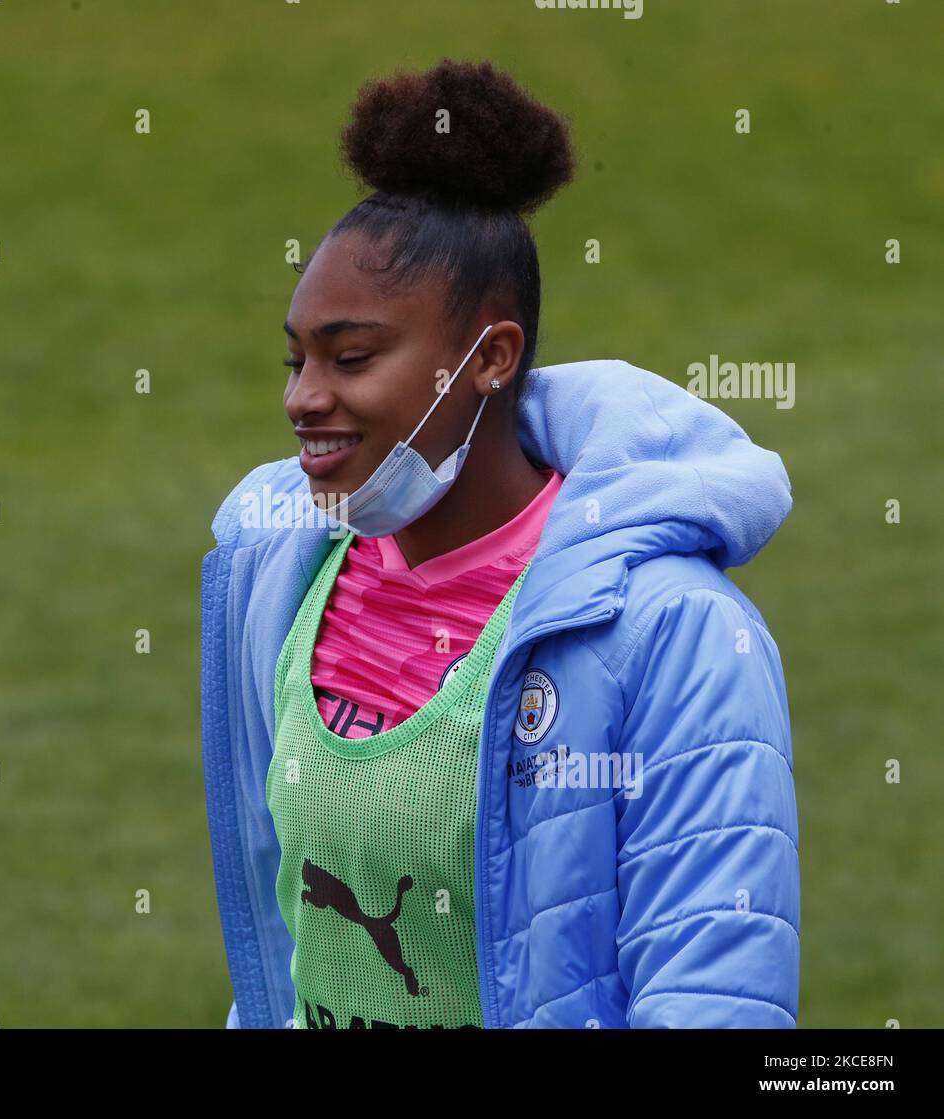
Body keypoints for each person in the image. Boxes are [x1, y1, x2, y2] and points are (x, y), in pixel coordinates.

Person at [200, 59, 799, 1028]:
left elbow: (711, 995)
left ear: (490, 358)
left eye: (351, 358)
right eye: (295, 357)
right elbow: (286, 958)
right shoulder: (279, 579)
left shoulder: (674, 637)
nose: (303, 397)